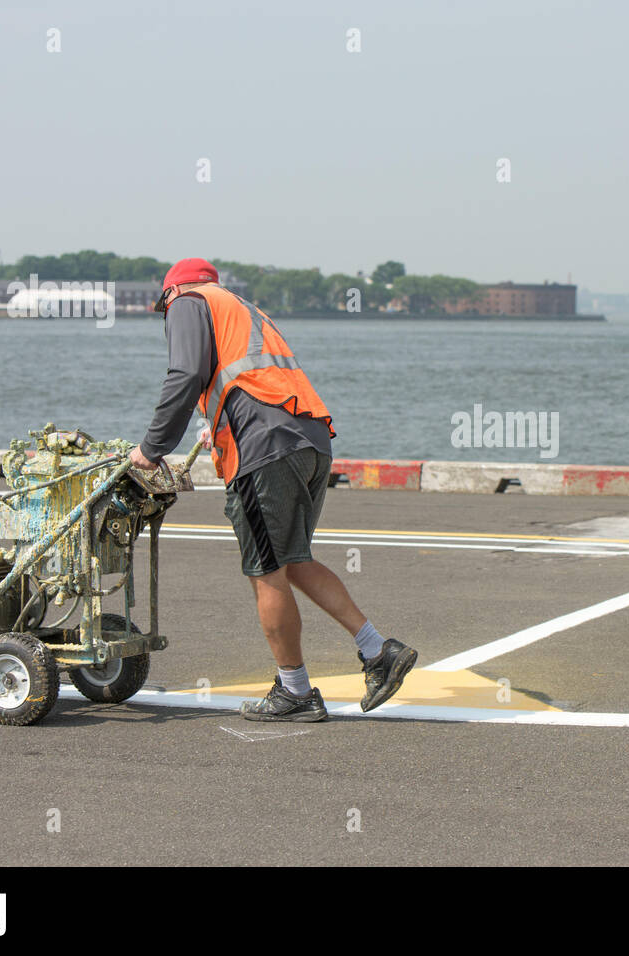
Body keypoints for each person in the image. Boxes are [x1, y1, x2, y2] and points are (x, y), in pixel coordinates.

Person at [129, 257, 417, 722]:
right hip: (308, 439)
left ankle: (295, 691)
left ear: (171, 293)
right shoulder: (243, 307)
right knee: (293, 559)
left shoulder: (188, 300)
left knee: (265, 571)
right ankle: (378, 650)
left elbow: (184, 374)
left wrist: (151, 448)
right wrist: (218, 421)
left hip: (264, 449)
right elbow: (248, 378)